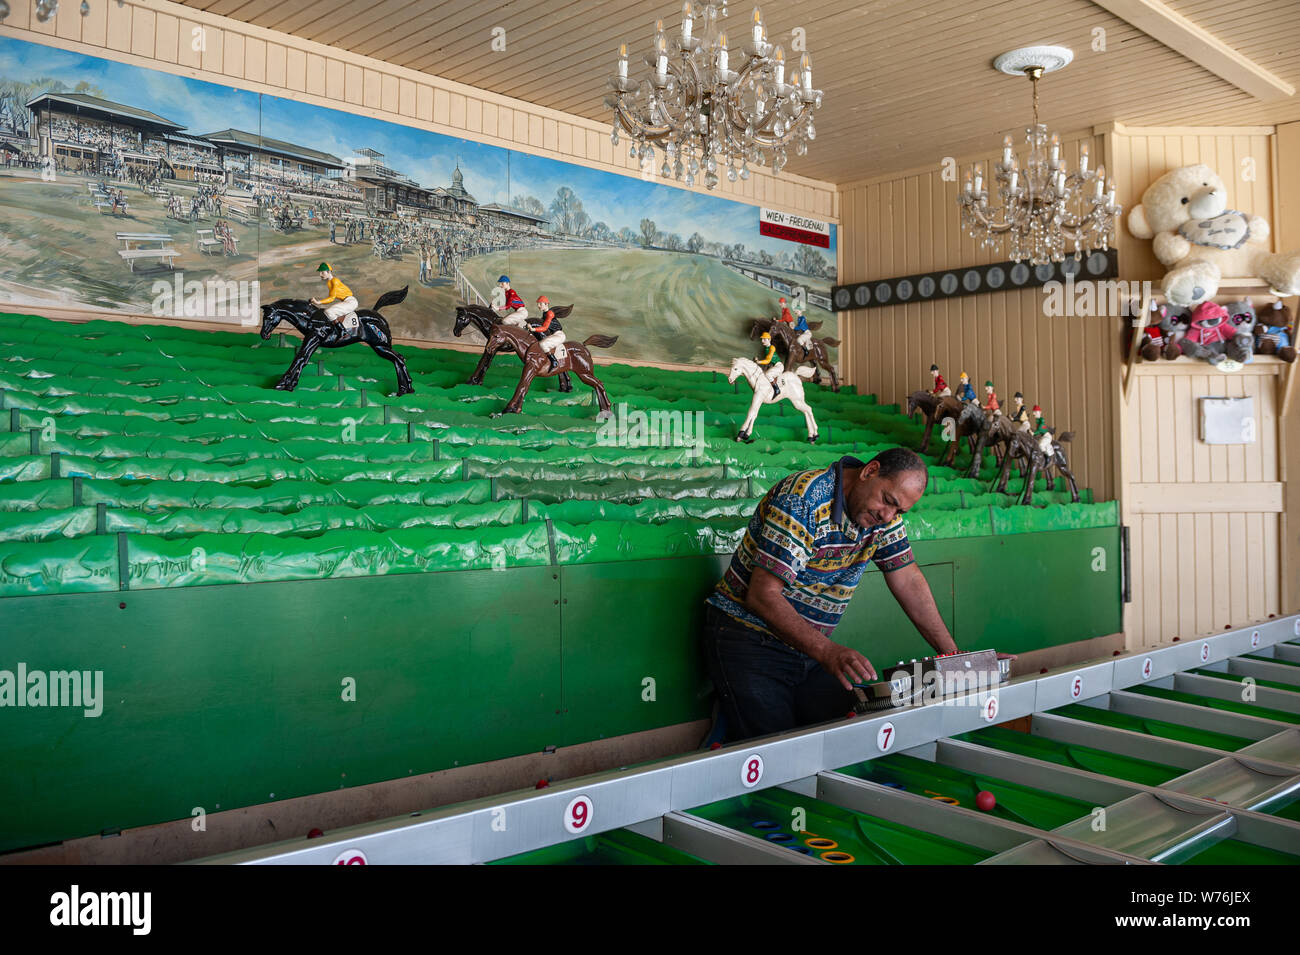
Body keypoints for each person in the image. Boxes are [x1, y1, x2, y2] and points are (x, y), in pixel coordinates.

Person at [703, 448, 966, 742]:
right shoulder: (803, 499)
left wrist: (954, 660)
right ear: (869, 471)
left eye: (899, 511)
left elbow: (907, 578)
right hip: (748, 639)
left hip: (807, 648)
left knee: (847, 734)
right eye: (888, 502)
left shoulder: (884, 517)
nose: (888, 516)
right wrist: (828, 651)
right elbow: (763, 596)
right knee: (778, 749)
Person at [310, 262, 358, 328]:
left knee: (328, 311)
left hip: (350, 302)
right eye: (320, 273)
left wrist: (318, 302)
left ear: (329, 272)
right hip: (347, 301)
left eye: (322, 272)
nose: (320, 275)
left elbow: (331, 298)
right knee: (328, 312)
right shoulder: (329, 282)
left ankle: (341, 329)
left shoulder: (334, 281)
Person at [529, 295, 566, 370]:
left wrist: (533, 329)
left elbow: (545, 327)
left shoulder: (550, 314)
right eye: (538, 304)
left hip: (558, 335)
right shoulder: (545, 313)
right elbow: (540, 323)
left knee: (543, 344)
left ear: (546, 304)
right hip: (553, 335)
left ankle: (554, 361)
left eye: (540, 304)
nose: (538, 306)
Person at [756, 331, 783, 398]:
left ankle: (777, 389)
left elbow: (768, 360)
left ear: (769, 340)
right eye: (762, 339)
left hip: (779, 366)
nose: (762, 341)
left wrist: (759, 362)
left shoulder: (772, 348)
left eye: (764, 339)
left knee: (768, 374)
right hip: (774, 366)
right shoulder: (766, 348)